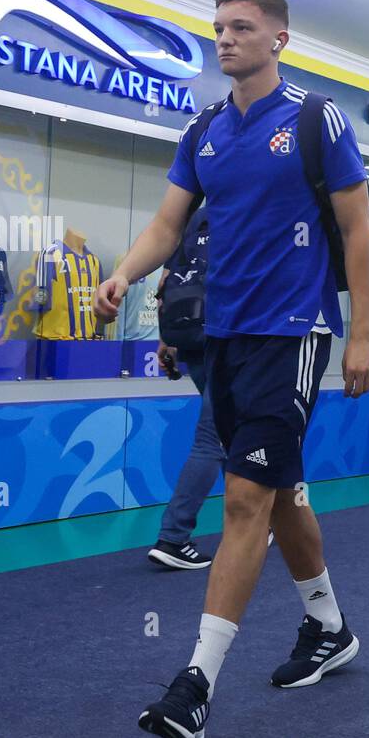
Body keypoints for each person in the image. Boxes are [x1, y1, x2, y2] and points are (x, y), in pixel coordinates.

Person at [94, 0, 369, 738]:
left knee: (247, 495)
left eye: (241, 27)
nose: (224, 38)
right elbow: (169, 224)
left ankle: (196, 684)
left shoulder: (316, 119)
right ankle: (329, 627)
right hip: (222, 336)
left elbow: (357, 230)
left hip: (292, 332)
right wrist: (125, 275)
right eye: (218, 27)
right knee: (279, 492)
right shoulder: (205, 129)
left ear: (278, 39)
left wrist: (362, 333)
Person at [145, 208, 226, 571]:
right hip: (225, 336)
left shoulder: (198, 219)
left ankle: (257, 517)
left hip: (189, 336)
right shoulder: (245, 209)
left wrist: (166, 339)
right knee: (213, 439)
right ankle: (173, 536)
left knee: (230, 433)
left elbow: (167, 281)